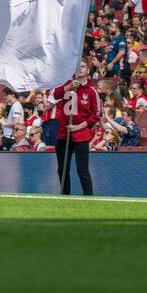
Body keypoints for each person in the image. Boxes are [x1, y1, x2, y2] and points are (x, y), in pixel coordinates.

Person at [49, 61, 100, 196]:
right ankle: (65, 195)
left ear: (88, 70)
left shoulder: (91, 91)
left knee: (82, 169)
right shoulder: (67, 85)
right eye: (77, 67)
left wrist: (78, 126)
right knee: (62, 168)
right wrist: (68, 88)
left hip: (81, 135)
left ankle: (88, 196)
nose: (79, 70)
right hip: (63, 134)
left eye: (82, 67)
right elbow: (54, 96)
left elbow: (96, 115)